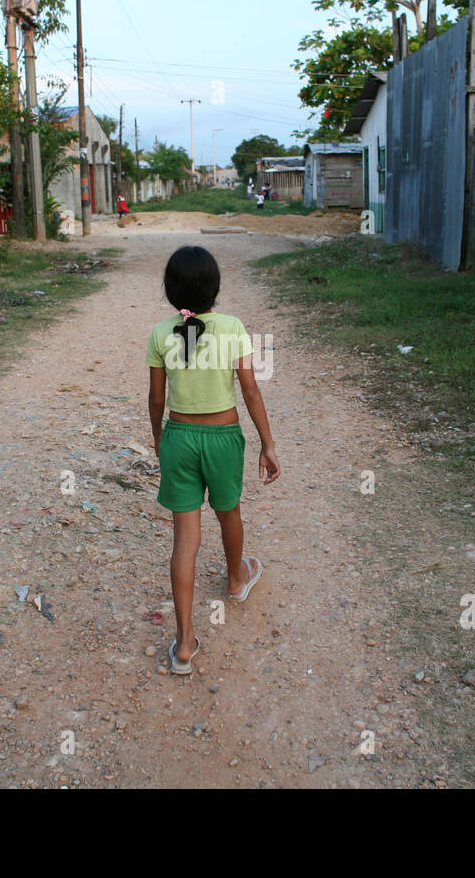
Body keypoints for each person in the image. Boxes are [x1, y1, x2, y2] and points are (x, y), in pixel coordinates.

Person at [146, 246, 280, 675]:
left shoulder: (161, 333)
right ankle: (237, 580)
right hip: (223, 438)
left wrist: (158, 437)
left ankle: (184, 644)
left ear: (170, 291)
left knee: (185, 540)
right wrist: (267, 443)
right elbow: (251, 392)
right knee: (229, 512)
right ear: (216, 288)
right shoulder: (233, 328)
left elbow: (156, 398)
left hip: (179, 439)